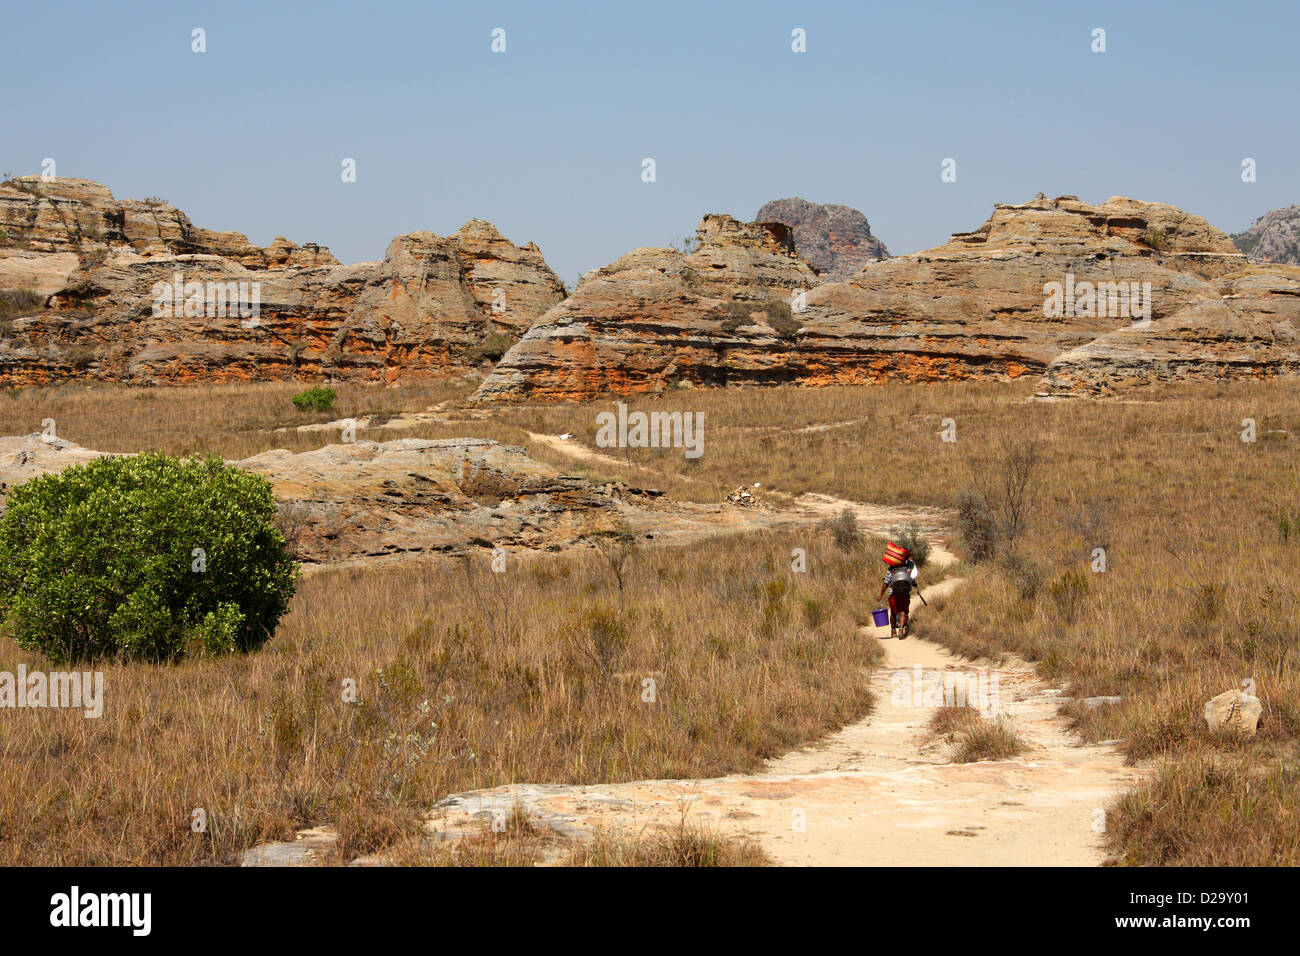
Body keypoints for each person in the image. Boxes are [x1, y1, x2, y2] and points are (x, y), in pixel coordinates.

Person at [876, 552, 917, 639]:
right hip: (904, 593)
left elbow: (886, 582)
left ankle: (893, 630)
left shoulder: (891, 569)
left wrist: (881, 594)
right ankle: (901, 629)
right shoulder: (908, 568)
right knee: (903, 611)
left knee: (893, 613)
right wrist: (914, 584)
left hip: (893, 594)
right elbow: (912, 580)